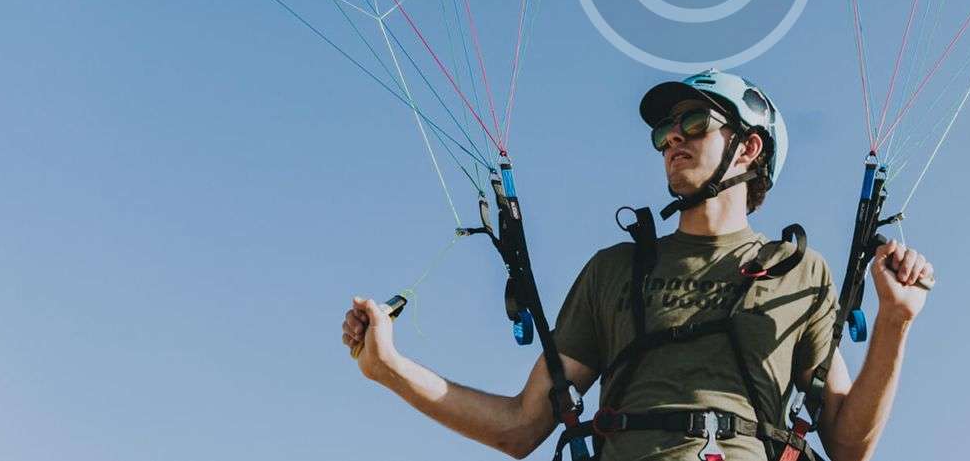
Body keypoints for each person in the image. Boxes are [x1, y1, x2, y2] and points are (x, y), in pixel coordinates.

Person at [342, 71, 934, 460]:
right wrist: (390, 368)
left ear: (748, 148)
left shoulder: (800, 272)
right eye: (664, 131)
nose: (672, 139)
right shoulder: (613, 270)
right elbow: (522, 425)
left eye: (694, 125)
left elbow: (849, 443)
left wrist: (895, 322)